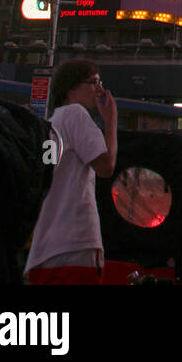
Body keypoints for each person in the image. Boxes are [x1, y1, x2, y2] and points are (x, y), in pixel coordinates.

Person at [25, 58, 117, 285]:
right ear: (72, 87)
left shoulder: (51, 124)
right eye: (94, 82)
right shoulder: (76, 114)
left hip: (45, 249)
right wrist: (111, 121)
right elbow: (106, 166)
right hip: (76, 244)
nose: (100, 90)